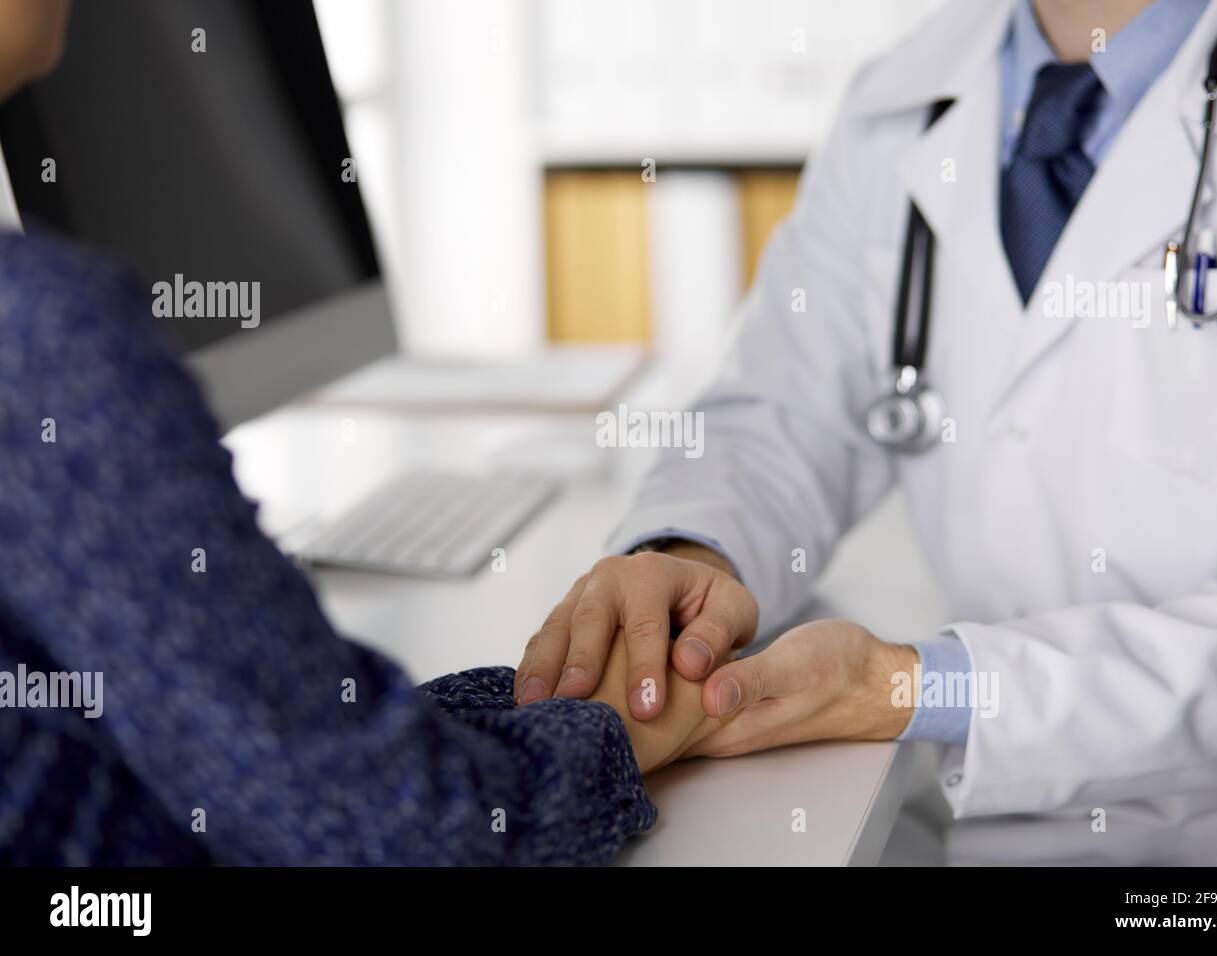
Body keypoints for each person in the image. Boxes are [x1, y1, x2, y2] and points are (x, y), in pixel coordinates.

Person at [518, 0, 1217, 865]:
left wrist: (905, 686)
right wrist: (695, 565)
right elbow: (782, 408)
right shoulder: (905, 94)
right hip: (960, 817)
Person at [0, 0, 727, 866]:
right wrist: (619, 729)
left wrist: (536, 708)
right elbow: (399, 834)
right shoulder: (37, 333)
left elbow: (260, 760)